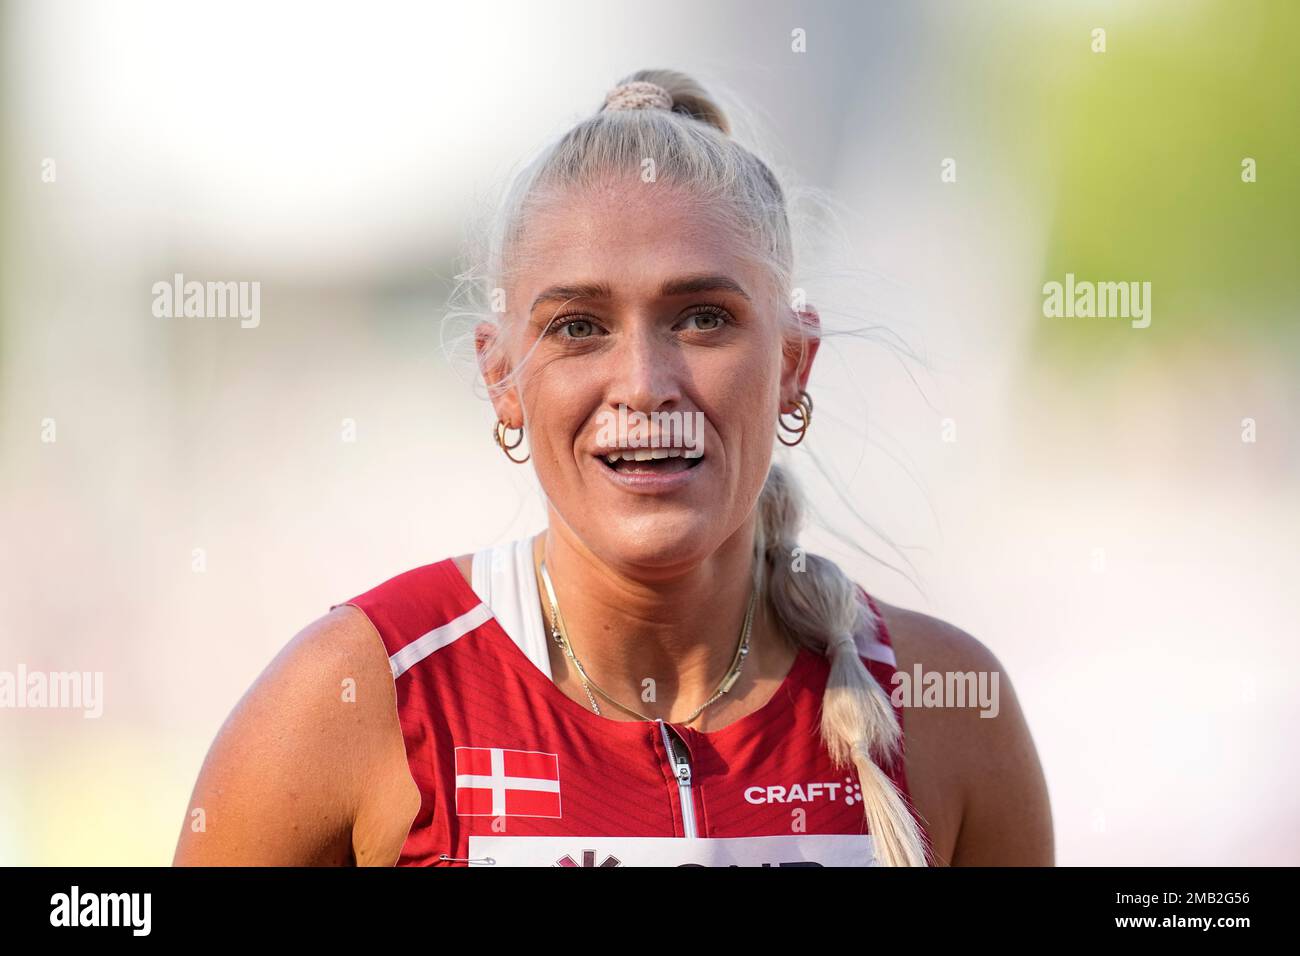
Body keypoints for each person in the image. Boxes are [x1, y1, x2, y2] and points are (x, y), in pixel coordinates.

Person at [173, 69, 1052, 867]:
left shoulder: (944, 710)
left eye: (702, 318)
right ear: (501, 379)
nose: (642, 383)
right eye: (578, 327)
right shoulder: (364, 695)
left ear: (793, 363)